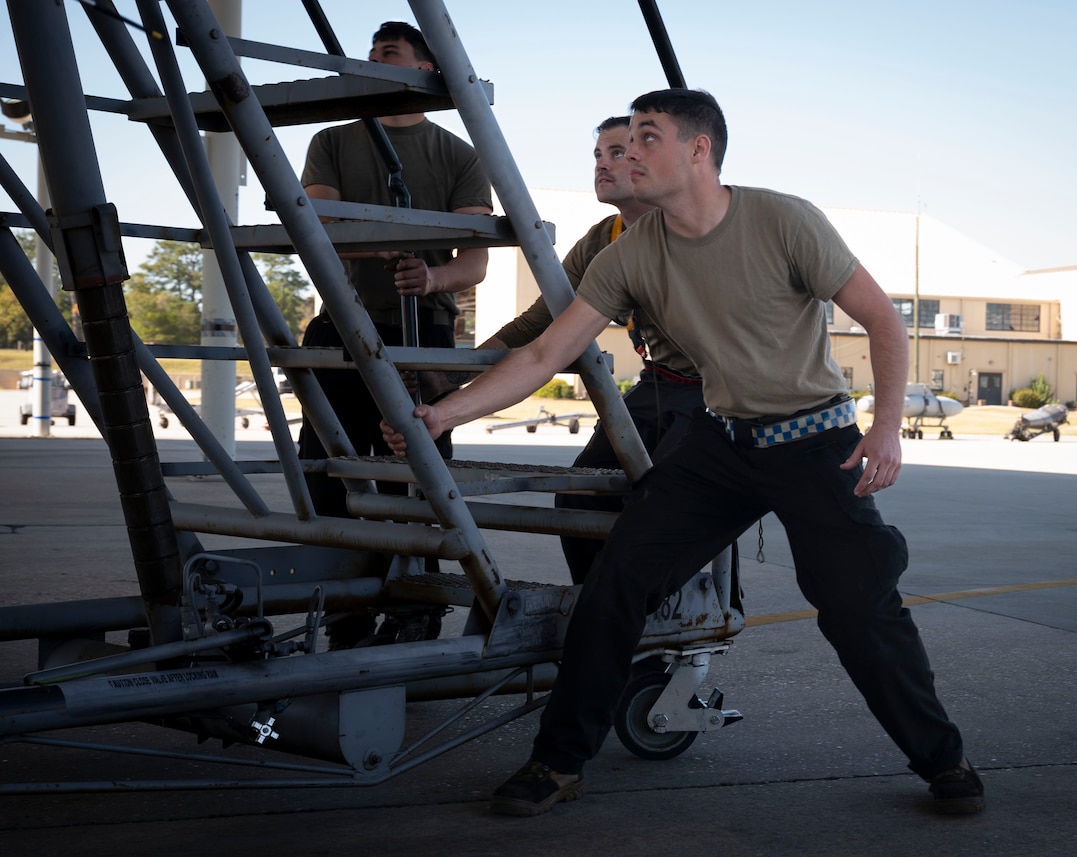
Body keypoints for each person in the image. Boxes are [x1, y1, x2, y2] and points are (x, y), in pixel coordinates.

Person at [381, 89, 984, 817]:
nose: (628, 152)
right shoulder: (632, 252)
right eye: (626, 139)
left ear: (699, 150)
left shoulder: (782, 219)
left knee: (858, 608)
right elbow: (546, 350)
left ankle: (942, 759)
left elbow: (883, 318)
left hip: (813, 440)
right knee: (615, 583)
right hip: (720, 444)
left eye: (646, 137)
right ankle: (558, 760)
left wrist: (885, 427)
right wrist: (439, 412)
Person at [298, 20, 492, 646]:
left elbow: (477, 260)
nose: (376, 61)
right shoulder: (332, 140)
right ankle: (347, 614)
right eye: (373, 53)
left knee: (415, 470)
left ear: (425, 71)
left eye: (391, 53)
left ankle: (418, 606)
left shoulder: (458, 154)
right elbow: (316, 218)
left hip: (422, 332)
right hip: (343, 325)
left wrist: (431, 277)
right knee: (330, 471)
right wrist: (377, 241)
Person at [478, 115, 706, 585]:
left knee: (665, 502)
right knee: (583, 493)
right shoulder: (605, 237)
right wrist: (449, 381)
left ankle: (676, 621)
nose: (603, 166)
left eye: (617, 154)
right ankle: (598, 610)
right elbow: (541, 324)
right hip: (658, 382)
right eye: (598, 156)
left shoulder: (696, 227)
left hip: (719, 390)